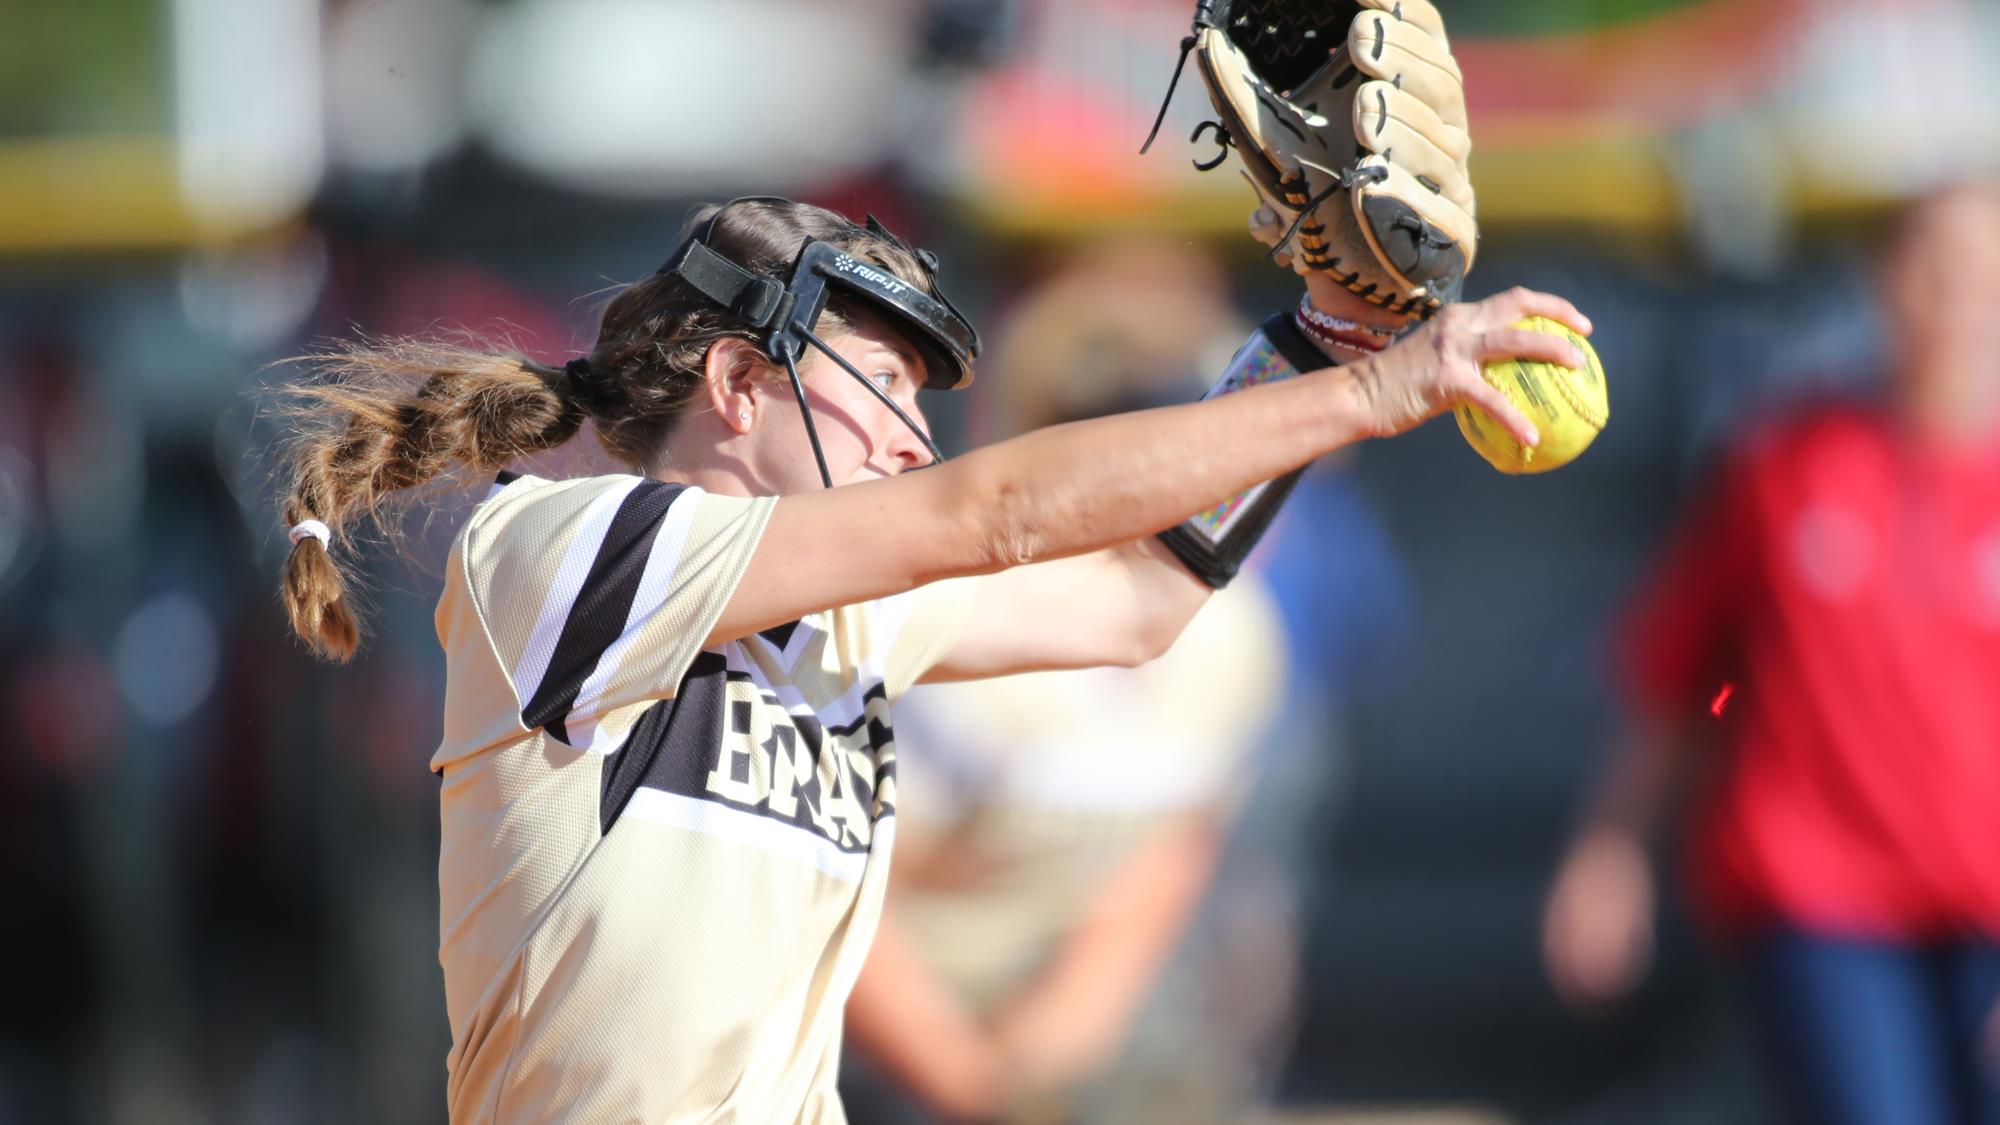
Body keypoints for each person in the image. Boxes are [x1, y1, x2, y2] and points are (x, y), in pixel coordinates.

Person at [275, 196, 1587, 1122]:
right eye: (884, 384)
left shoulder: (844, 617)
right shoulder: (561, 547)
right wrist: (1371, 394)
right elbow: (991, 513)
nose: (916, 429)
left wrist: (1317, 340)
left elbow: (1139, 599)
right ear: (737, 383)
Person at [1542, 184, 2000, 1125]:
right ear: (1884, 280)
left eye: (1981, 276)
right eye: (1935, 269)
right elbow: (1682, 672)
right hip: (1818, 894)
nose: (1956, 298)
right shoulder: (1784, 460)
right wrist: (1610, 847)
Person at [835, 237, 1291, 1123]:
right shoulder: (949, 627)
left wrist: (1049, 1063)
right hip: (869, 1025)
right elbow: (833, 898)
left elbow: (1164, 855)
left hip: (1049, 1017)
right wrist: (975, 1089)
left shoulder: (1235, 636)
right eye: (1124, 427)